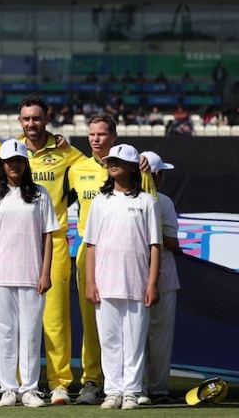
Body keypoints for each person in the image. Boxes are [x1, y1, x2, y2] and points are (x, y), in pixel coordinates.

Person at [66, 112, 157, 405]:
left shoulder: (140, 173)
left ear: (114, 136)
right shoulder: (76, 168)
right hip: (91, 255)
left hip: (132, 262)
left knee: (133, 330)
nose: (95, 139)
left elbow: (152, 230)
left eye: (102, 134)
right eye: (91, 134)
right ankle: (95, 382)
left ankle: (136, 386)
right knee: (95, 325)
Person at [0, 140, 59, 408]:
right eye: (9, 161)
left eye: (19, 160)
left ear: (26, 163)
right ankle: (8, 389)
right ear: (1, 165)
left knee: (31, 334)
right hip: (0, 275)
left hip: (32, 275)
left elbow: (48, 237)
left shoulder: (40, 194)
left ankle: (30, 389)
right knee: (3, 334)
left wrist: (45, 273)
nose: (14, 165)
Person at [16, 97, 85, 405]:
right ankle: (22, 384)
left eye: (36, 118)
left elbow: (95, 166)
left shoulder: (65, 152)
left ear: (46, 119)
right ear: (20, 121)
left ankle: (59, 383)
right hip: (17, 242)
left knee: (55, 319)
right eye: (26, 119)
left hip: (54, 241)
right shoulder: (11, 150)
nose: (31, 124)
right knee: (20, 319)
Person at [83, 144, 161, 411]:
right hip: (105, 283)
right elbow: (90, 244)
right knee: (109, 340)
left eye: (119, 161)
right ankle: (113, 391)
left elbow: (155, 245)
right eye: (110, 161)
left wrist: (152, 283)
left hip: (137, 283)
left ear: (132, 167)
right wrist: (90, 282)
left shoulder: (146, 201)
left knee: (135, 340)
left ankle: (132, 391)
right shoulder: (100, 201)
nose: (112, 164)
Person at [141, 151, 180, 406]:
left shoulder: (123, 200)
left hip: (133, 277)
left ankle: (137, 387)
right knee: (160, 338)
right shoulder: (163, 201)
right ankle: (158, 389)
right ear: (156, 175)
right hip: (163, 277)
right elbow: (171, 243)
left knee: (135, 336)